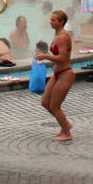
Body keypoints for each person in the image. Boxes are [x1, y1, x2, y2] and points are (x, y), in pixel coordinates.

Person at [35, 9, 74, 141]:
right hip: (57, 73)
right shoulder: (57, 34)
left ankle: (66, 132)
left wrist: (46, 56)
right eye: (51, 19)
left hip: (65, 73)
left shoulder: (62, 37)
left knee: (55, 106)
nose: (50, 22)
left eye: (53, 20)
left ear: (61, 22)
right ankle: (65, 125)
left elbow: (63, 58)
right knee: (45, 102)